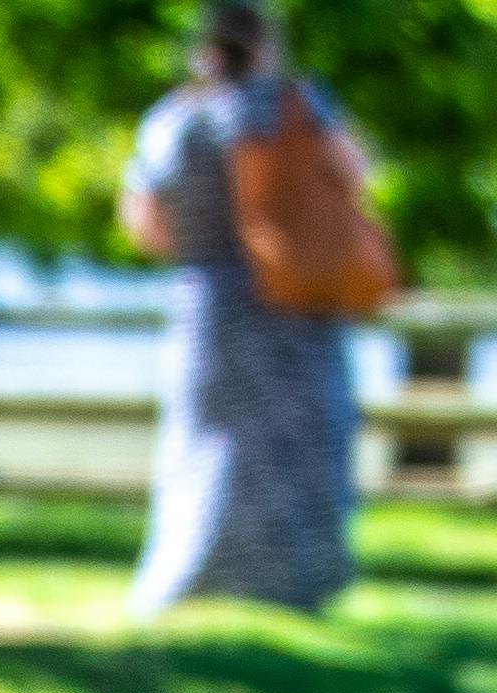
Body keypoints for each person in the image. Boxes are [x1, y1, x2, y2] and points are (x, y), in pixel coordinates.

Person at [121, 0, 361, 613]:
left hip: (209, 305)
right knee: (302, 447)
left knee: (204, 445)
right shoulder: (300, 107)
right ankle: (295, 585)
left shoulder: (176, 120)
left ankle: (192, 578)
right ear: (265, 47)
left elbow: (147, 225)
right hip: (297, 303)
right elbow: (355, 175)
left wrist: (208, 247)